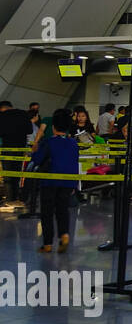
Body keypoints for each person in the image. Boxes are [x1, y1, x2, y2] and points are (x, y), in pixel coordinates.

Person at [29, 108, 77, 252]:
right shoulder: (73, 143)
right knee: (63, 209)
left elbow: (37, 160)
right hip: (68, 181)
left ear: (53, 127)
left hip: (49, 181)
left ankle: (48, 243)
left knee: (47, 212)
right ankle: (65, 235)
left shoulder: (48, 142)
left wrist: (34, 151)